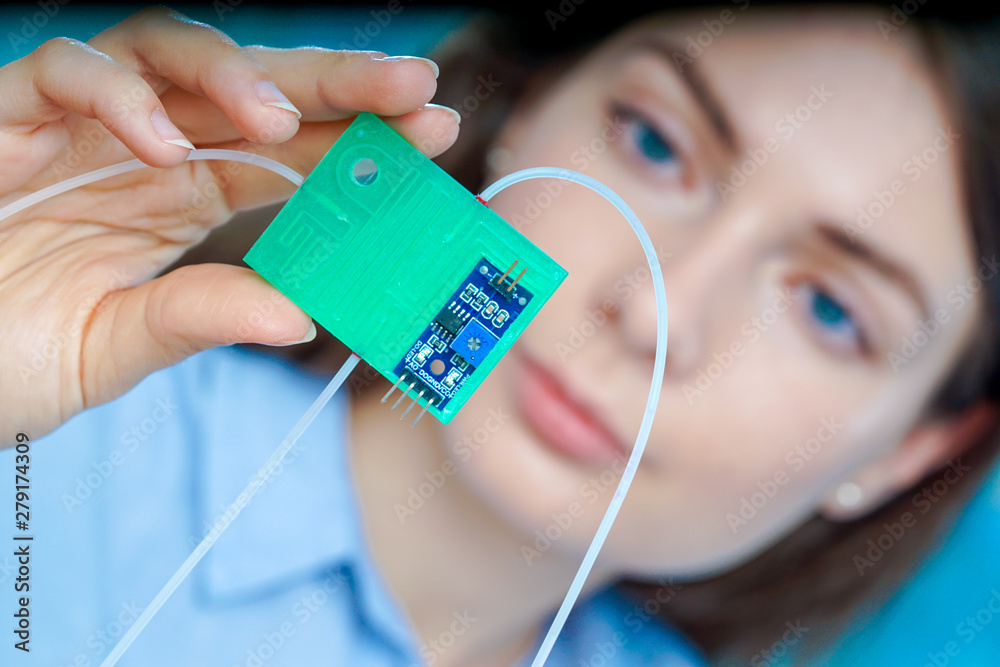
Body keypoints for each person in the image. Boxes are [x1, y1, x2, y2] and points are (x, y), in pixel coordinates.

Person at [1, 3, 998, 666]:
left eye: (830, 311)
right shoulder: (44, 441)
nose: (654, 313)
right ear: (524, 104)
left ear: (909, 449)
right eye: (655, 143)